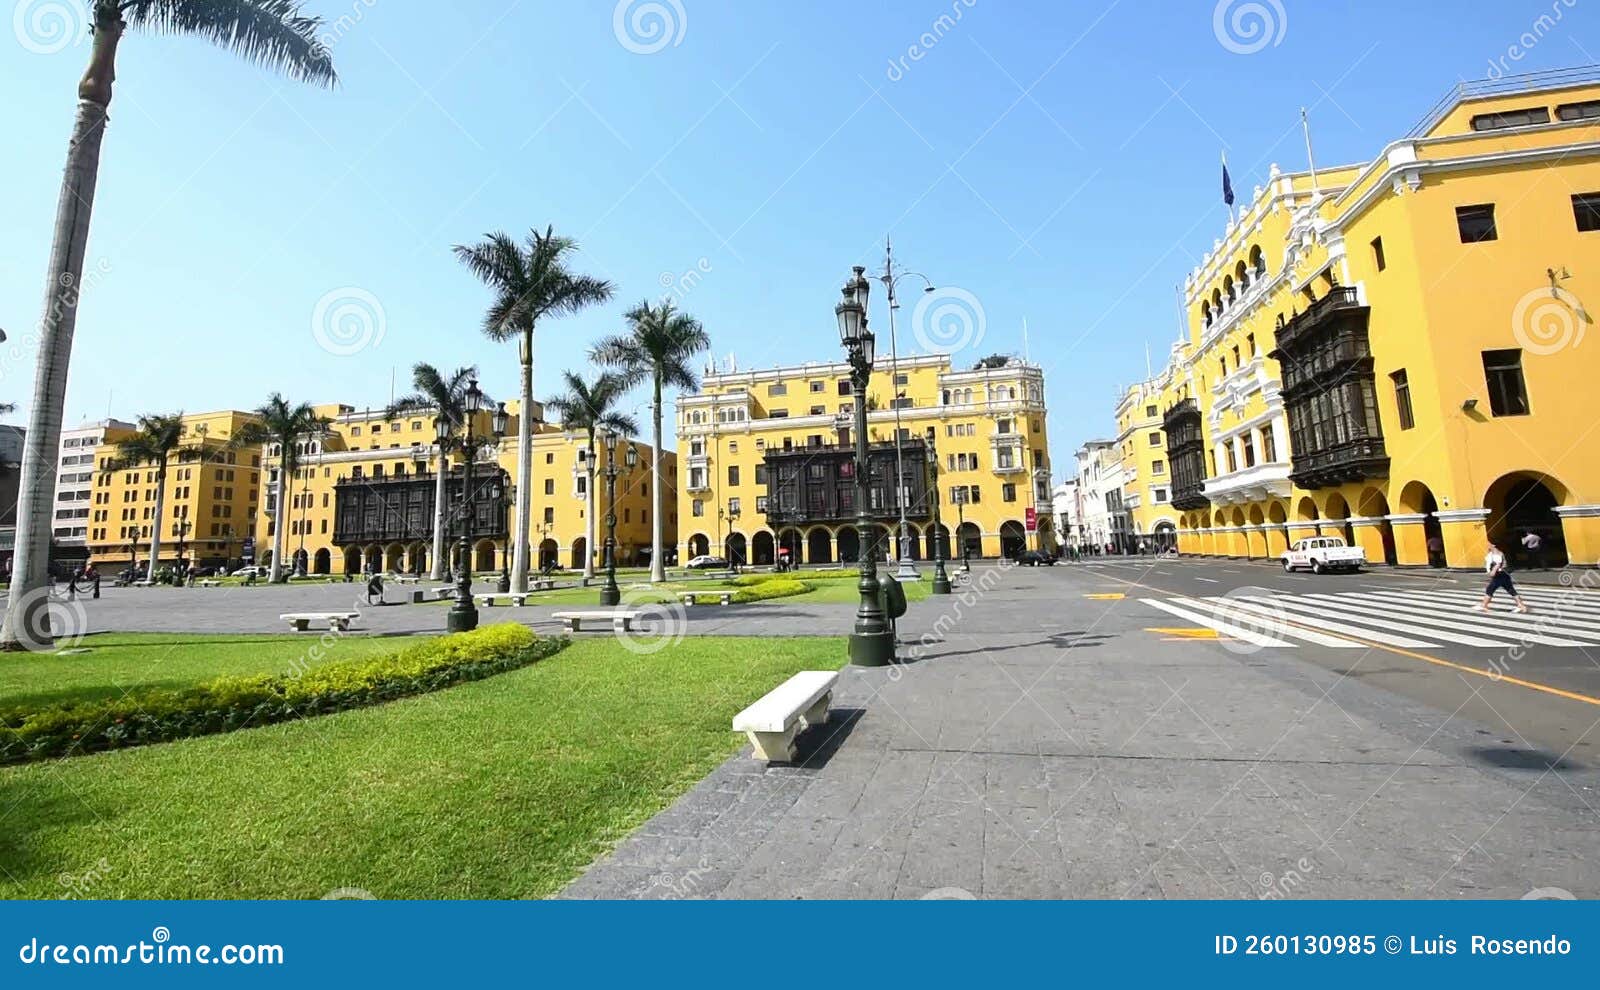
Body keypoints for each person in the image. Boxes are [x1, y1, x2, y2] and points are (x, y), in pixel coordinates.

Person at [1479, 541, 1530, 614]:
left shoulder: (1496, 552)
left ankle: (1484, 606)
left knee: (1490, 589)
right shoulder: (1493, 552)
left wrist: (1493, 571)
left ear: (1493, 545)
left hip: (1499, 574)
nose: (1487, 545)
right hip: (1504, 575)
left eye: (1489, 544)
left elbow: (1498, 563)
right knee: (1510, 590)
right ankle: (1521, 606)